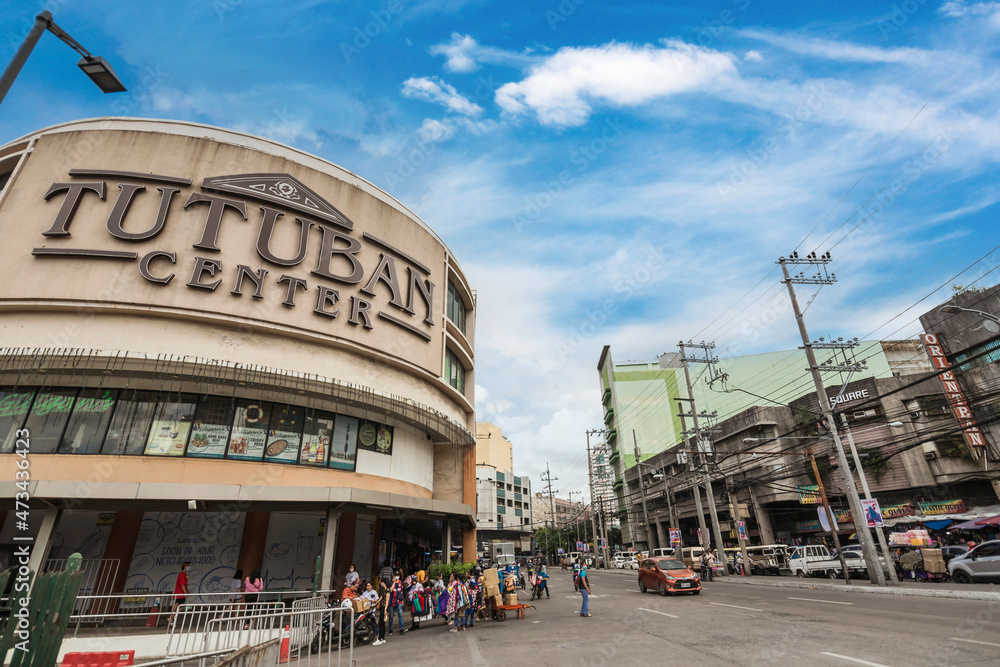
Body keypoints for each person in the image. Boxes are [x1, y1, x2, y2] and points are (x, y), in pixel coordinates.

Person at [169, 561, 191, 626]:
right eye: (188, 566)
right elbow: (182, 585)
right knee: (180, 607)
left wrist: (187, 591)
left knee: (176, 606)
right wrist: (185, 593)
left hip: (179, 593)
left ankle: (171, 619)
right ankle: (171, 618)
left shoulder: (182, 574)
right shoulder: (182, 574)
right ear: (185, 567)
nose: (189, 567)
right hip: (180, 594)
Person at [372, 578, 390, 646]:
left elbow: (387, 600)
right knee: (382, 623)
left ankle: (380, 639)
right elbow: (381, 598)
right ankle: (382, 638)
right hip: (382, 607)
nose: (381, 584)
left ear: (384, 583)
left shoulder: (388, 590)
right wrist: (376, 604)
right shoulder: (384, 590)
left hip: (384, 607)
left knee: (381, 623)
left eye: (382, 583)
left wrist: (385, 609)